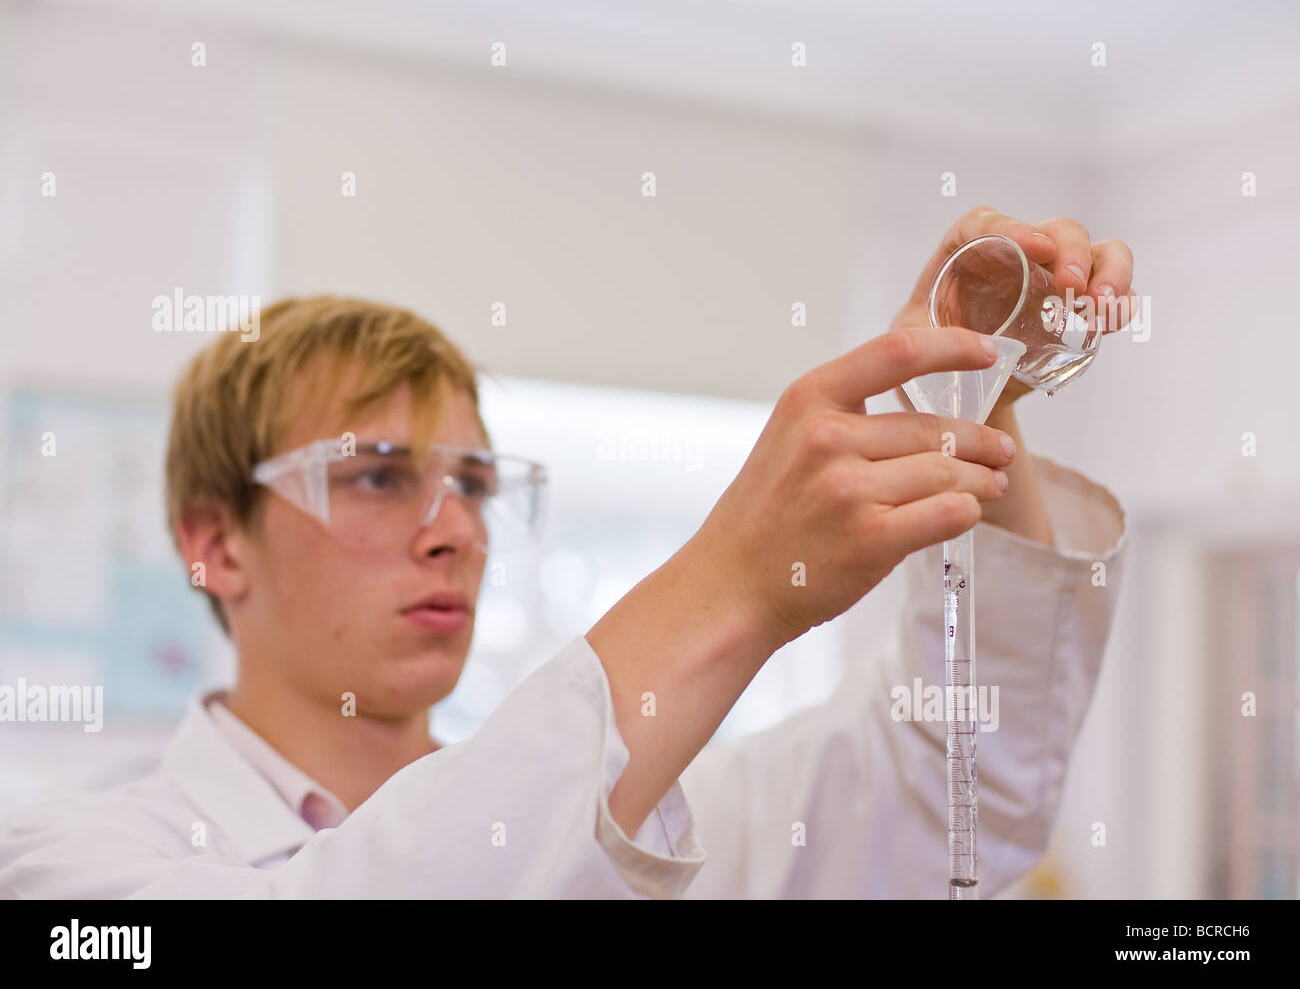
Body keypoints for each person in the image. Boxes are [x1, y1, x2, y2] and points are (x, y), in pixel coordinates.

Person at [0, 207, 1133, 899]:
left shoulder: (655, 820)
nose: (455, 528)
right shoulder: (78, 869)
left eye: (476, 482)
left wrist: (970, 386)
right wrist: (734, 577)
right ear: (215, 544)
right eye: (378, 474)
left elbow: (951, 789)